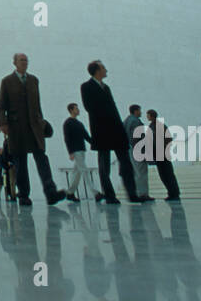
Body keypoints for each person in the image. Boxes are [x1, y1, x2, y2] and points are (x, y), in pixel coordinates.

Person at [0, 52, 66, 207]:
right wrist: (3, 123)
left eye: (26, 60)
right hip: (17, 127)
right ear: (14, 62)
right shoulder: (7, 82)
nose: (24, 62)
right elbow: (1, 105)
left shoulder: (34, 81)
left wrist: (41, 122)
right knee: (20, 163)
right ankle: (23, 195)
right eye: (21, 60)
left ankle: (51, 193)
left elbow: (37, 105)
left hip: (34, 127)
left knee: (42, 159)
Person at [80, 60, 140, 203]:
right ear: (97, 71)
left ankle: (132, 194)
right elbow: (89, 107)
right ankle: (109, 195)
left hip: (115, 130)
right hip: (101, 130)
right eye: (103, 68)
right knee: (104, 165)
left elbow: (113, 108)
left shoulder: (106, 87)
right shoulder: (86, 87)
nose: (106, 70)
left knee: (125, 162)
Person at [144, 109, 181, 200]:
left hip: (162, 154)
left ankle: (174, 192)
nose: (147, 117)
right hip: (158, 154)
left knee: (167, 174)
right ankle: (172, 192)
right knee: (164, 174)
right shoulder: (153, 126)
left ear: (151, 116)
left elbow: (168, 138)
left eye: (148, 115)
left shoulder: (158, 126)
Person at [63, 103, 92, 202]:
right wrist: (70, 152)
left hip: (82, 150)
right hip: (76, 151)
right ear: (71, 110)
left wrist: (95, 144)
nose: (78, 110)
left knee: (77, 172)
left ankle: (70, 193)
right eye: (76, 108)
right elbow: (67, 138)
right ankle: (95, 192)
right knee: (84, 170)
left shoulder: (79, 124)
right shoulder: (68, 123)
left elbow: (86, 136)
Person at [122, 104, 151, 201]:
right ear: (135, 111)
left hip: (129, 150)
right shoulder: (135, 122)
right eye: (139, 110)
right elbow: (138, 137)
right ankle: (143, 194)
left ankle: (138, 192)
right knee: (142, 173)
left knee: (136, 172)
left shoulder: (126, 121)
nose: (141, 112)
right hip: (138, 150)